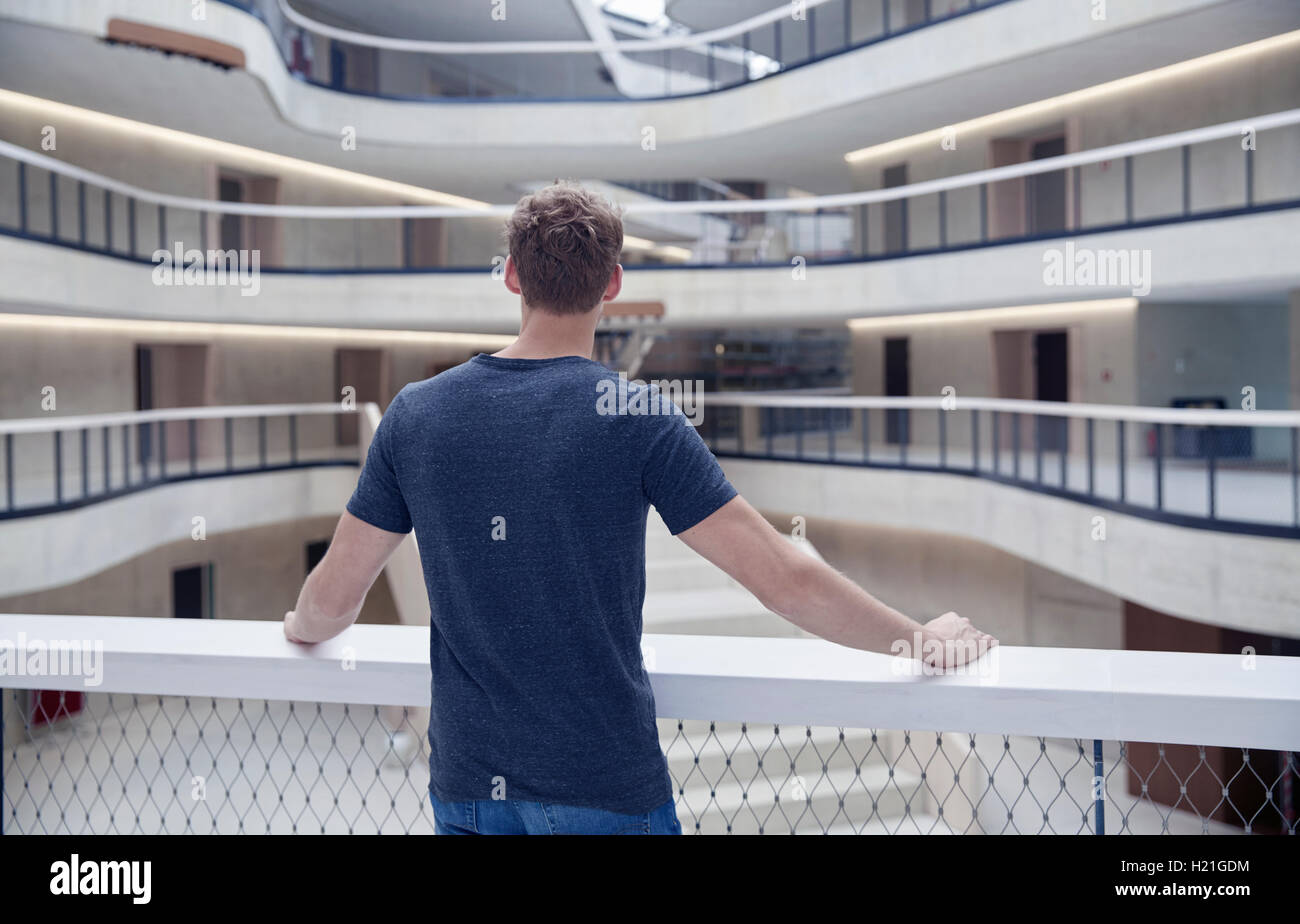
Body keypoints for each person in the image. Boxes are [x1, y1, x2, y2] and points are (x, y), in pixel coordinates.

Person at [282, 181, 996, 835]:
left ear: (510, 275)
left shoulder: (417, 415)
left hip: (470, 790)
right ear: (613, 284)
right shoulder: (634, 414)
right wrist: (919, 639)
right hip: (604, 788)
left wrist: (301, 623)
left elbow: (335, 599)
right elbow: (786, 580)